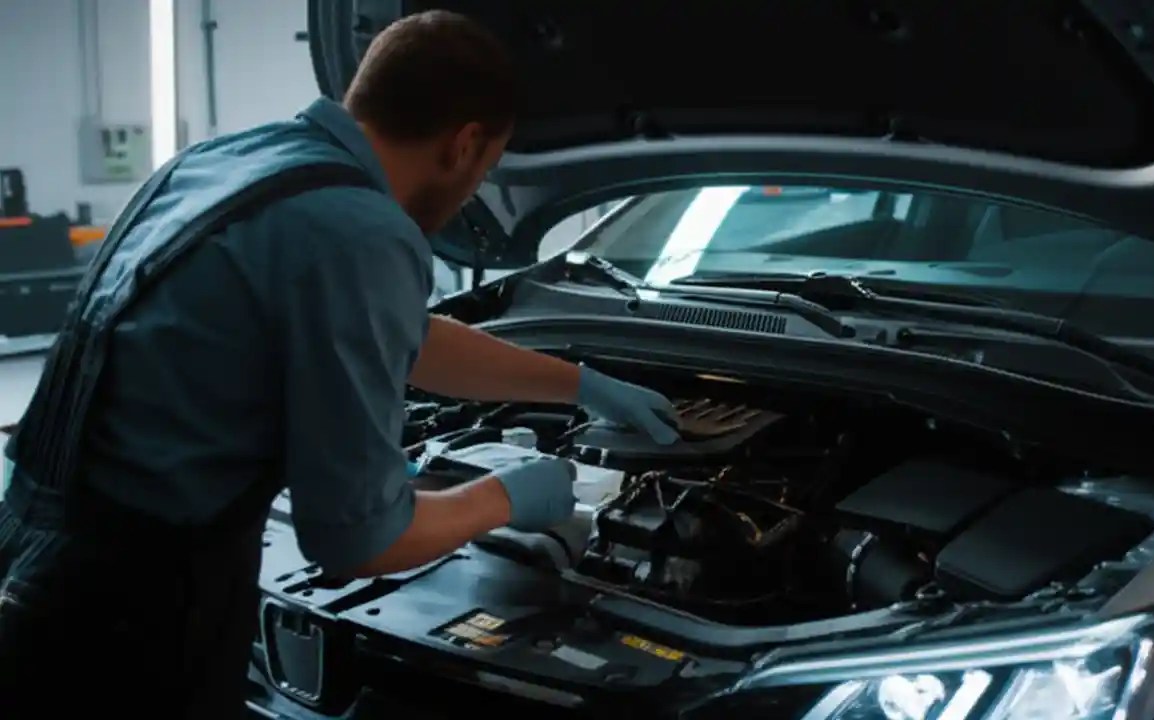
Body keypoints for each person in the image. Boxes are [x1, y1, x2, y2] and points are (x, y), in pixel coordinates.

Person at [0, 10, 678, 717]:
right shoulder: (362, 231)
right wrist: (508, 497)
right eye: (485, 169)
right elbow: (360, 542)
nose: (474, 189)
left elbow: (406, 334)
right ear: (466, 144)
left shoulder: (226, 162)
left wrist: (578, 384)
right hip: (127, 620)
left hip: (37, 552)